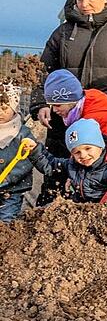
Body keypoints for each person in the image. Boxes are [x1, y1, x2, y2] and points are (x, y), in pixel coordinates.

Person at [31, 0, 107, 182]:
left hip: (105, 114)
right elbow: (44, 69)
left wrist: (106, 100)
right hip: (64, 117)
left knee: (102, 171)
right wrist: (40, 103)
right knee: (59, 171)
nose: (84, 4)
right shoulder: (63, 32)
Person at [27, 118, 107, 203]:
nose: (83, 155)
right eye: (76, 152)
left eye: (88, 148)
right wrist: (35, 150)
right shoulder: (73, 165)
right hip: (81, 211)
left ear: (100, 145)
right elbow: (51, 166)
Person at [42, 69, 107, 149]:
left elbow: (93, 154)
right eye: (52, 105)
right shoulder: (89, 106)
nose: (54, 110)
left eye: (58, 105)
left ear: (72, 100)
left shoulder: (95, 120)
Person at [0, 84, 36, 221]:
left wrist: (7, 179)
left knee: (6, 220)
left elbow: (26, 163)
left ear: (14, 108)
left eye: (4, 108)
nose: (0, 113)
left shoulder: (22, 134)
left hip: (12, 190)